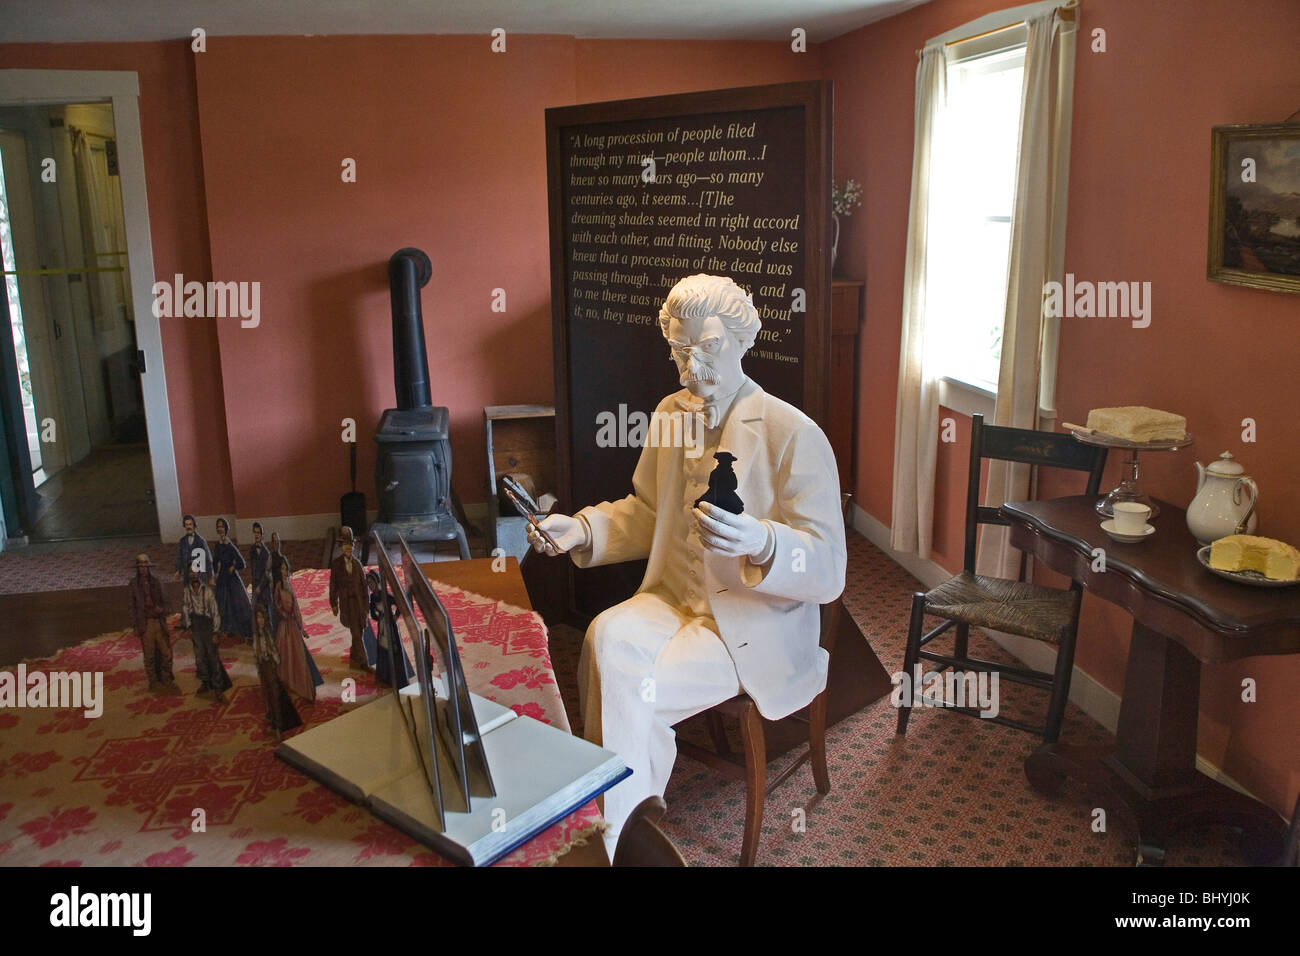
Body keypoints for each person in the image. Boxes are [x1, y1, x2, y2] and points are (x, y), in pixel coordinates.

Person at [528, 274, 846, 853]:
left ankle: (615, 840)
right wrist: (581, 527)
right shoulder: (671, 414)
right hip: (672, 599)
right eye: (679, 349)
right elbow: (648, 512)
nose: (690, 365)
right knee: (605, 636)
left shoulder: (793, 433)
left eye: (708, 346)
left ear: (744, 339)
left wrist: (764, 541)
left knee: (631, 686)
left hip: (750, 622)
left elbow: (828, 568)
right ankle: (628, 831)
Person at [127, 553, 179, 694]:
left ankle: (166, 679)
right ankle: (154, 682)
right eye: (140, 567)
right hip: (146, 623)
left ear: (148, 567)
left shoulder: (157, 582)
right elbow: (131, 607)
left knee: (166, 653)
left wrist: (161, 610)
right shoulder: (133, 585)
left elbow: (168, 603)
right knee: (149, 656)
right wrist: (135, 626)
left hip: (158, 621)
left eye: (145, 566)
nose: (143, 569)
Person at [273, 559, 324, 702]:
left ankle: (303, 688)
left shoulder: (289, 585)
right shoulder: (278, 586)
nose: (284, 572)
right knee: (285, 653)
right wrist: (284, 614)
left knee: (298, 655)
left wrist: (301, 628)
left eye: (285, 569)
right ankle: (286, 683)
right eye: (281, 569)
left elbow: (295, 607)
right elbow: (276, 603)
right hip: (284, 624)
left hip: (293, 624)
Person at [180, 569, 232, 703]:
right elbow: (185, 607)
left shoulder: (207, 591)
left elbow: (215, 611)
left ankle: (218, 689)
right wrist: (188, 626)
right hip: (196, 626)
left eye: (195, 572)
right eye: (190, 572)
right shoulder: (187, 591)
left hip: (207, 625)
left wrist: (215, 631)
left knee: (212, 657)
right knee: (199, 657)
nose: (193, 574)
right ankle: (205, 682)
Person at [252, 603, 302, 739]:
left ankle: (279, 725)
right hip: (262, 668)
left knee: (274, 696)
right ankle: (273, 723)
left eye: (261, 617)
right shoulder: (257, 636)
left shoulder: (268, 635)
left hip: (270, 667)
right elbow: (256, 653)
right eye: (257, 618)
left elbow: (275, 654)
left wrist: (273, 663)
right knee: (267, 696)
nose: (259, 620)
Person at [329, 526, 370, 670]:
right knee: (356, 632)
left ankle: (354, 657)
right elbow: (333, 585)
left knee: (359, 630)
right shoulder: (336, 565)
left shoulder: (358, 565)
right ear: (341, 546)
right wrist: (333, 603)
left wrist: (366, 607)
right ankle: (364, 661)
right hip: (347, 604)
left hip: (359, 603)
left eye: (350, 544)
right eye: (345, 544)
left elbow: (364, 587)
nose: (348, 547)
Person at [366, 569, 412, 689]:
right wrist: (379, 616)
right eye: (369, 584)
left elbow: (399, 603)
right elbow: (372, 613)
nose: (371, 586)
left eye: (372, 583)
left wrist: (395, 616)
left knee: (393, 648)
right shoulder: (373, 597)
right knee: (383, 648)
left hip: (390, 626)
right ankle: (385, 677)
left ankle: (398, 677)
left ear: (377, 582)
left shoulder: (385, 595)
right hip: (382, 625)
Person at [212, 517, 253, 642]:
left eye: (222, 527)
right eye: (218, 527)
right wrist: (215, 573)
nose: (220, 529)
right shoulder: (217, 545)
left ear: (226, 529)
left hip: (232, 579)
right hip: (222, 579)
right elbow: (214, 561)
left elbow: (242, 563)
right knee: (222, 604)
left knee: (238, 604)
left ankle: (241, 630)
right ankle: (227, 629)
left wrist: (233, 567)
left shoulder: (230, 545)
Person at [174, 513, 214, 583]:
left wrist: (210, 577)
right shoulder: (182, 541)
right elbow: (179, 557)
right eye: (186, 525)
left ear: (194, 525)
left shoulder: (201, 541)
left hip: (200, 576)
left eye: (190, 524)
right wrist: (178, 571)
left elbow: (208, 559)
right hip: (187, 576)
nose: (188, 527)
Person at [248, 521, 274, 624]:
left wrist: (261, 586)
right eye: (255, 532)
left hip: (264, 587)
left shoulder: (266, 553)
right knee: (255, 609)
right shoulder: (252, 550)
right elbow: (253, 569)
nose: (256, 535)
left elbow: (267, 573)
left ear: (262, 535)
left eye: (258, 533)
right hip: (255, 585)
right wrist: (255, 586)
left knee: (266, 610)